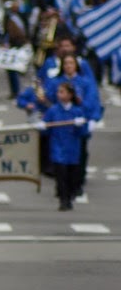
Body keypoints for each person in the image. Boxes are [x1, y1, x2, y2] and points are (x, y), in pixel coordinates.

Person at [41, 82, 89, 211]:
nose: (59, 94)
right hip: (58, 148)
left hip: (72, 150)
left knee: (72, 177)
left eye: (62, 92)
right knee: (61, 176)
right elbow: (46, 130)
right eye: (58, 92)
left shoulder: (77, 111)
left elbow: (83, 133)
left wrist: (81, 125)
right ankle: (63, 200)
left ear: (70, 94)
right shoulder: (53, 110)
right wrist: (42, 126)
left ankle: (70, 195)